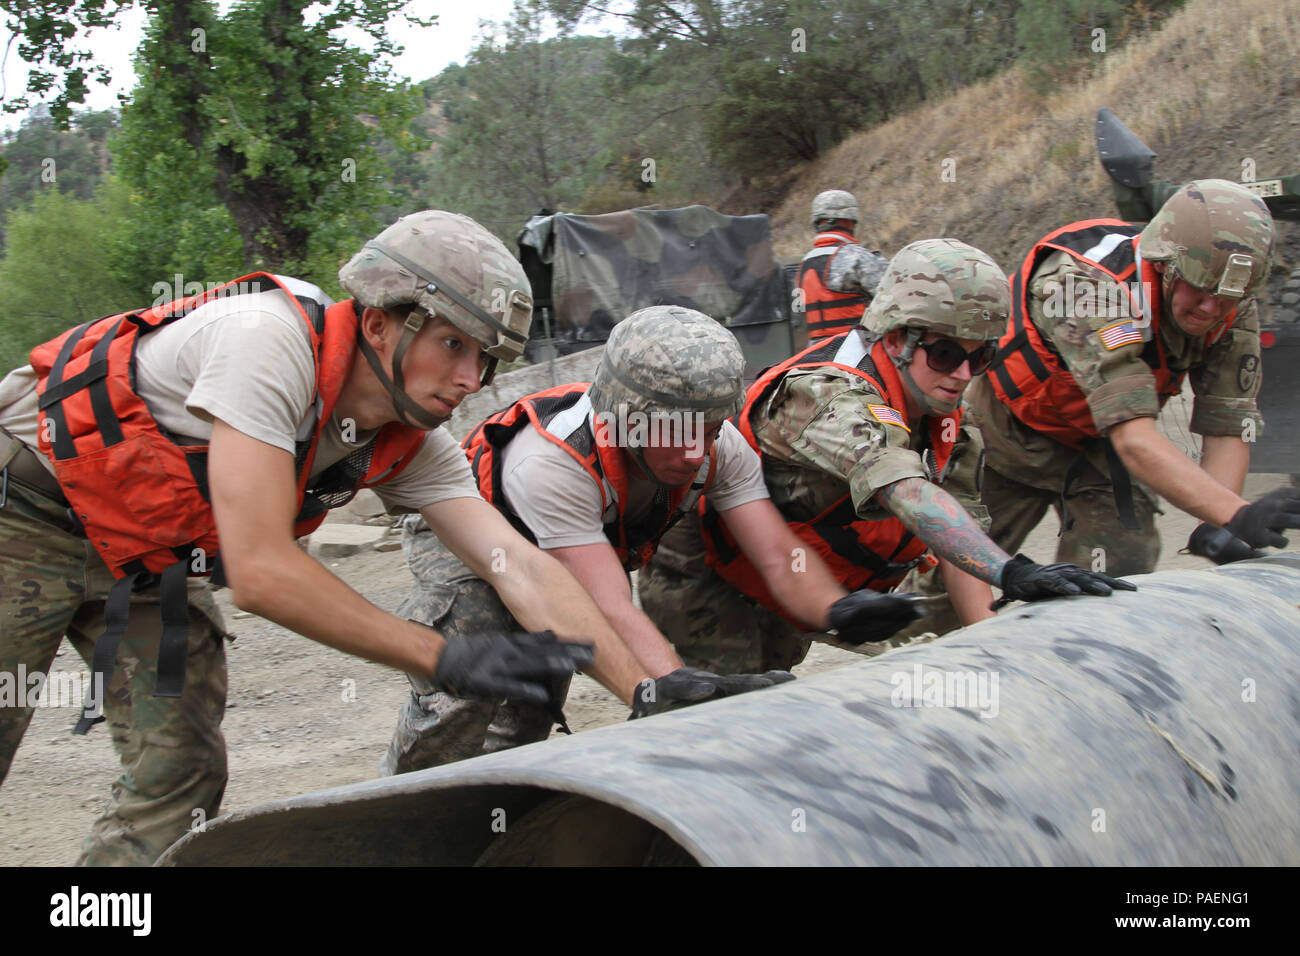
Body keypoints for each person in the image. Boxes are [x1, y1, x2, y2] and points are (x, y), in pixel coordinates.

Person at [0, 209, 688, 866]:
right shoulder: (264, 340)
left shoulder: (411, 441)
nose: (469, 379)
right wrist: (439, 655)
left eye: (486, 359)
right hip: (22, 512)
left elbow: (522, 569)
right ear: (382, 322)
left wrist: (648, 695)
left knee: (179, 769)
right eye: (454, 344)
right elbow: (261, 571)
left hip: (143, 561)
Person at [381, 305, 925, 774]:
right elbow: (607, 605)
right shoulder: (552, 463)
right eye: (676, 429)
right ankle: (397, 810)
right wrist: (667, 691)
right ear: (625, 419)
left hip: (573, 554)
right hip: (470, 539)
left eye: (708, 430)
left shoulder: (713, 444)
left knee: (534, 702)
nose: (695, 454)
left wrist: (837, 608)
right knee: (474, 679)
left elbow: (778, 554)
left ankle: (491, 818)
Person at [641, 239, 1135, 672]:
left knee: (769, 684)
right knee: (720, 704)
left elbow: (955, 538)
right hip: (706, 569)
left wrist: (994, 641)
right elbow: (904, 487)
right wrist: (1012, 571)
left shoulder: (947, 418)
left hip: (796, 573)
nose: (963, 374)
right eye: (945, 353)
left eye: (979, 356)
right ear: (897, 337)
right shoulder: (827, 392)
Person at [969, 179, 1300, 572]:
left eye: (1227, 297)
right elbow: (1134, 438)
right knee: (955, 578)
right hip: (1006, 438)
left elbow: (1226, 425)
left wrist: (1217, 526)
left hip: (1098, 449)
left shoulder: (1233, 302)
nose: (1211, 308)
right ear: (1163, 265)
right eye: (1198, 288)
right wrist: (1238, 513)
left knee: (1119, 569)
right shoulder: (1085, 284)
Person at [798, 189, 890, 340]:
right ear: (850, 219)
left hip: (817, 354)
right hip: (858, 352)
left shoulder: (804, 264)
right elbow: (895, 298)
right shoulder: (857, 257)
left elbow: (800, 313)